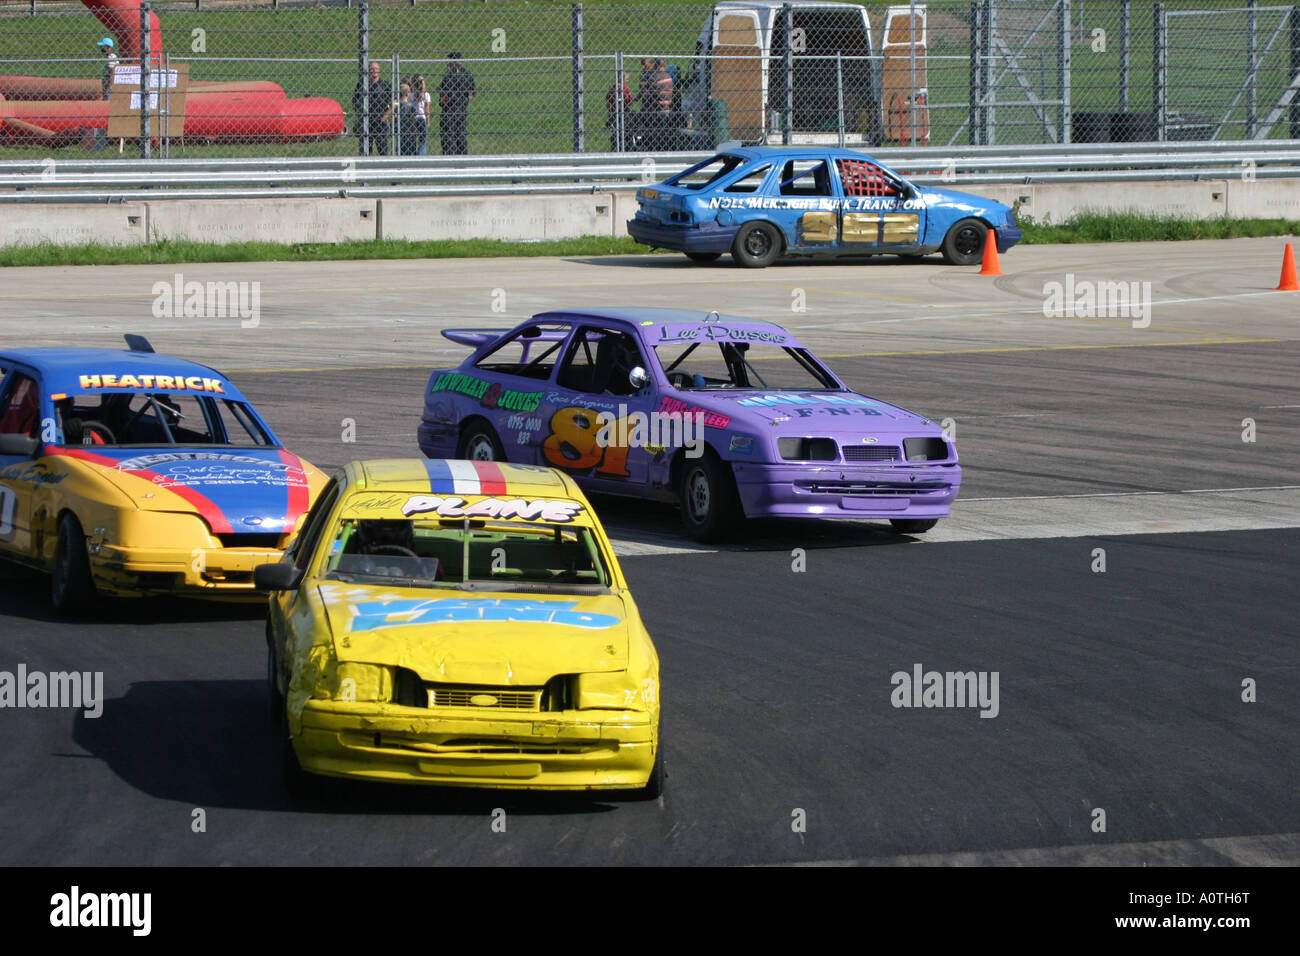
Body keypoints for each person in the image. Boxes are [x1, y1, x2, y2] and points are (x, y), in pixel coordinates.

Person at [352, 60, 393, 156]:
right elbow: (354, 100)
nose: (374, 71)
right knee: (366, 151)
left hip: (380, 122)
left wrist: (385, 117)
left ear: (379, 71)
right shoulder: (362, 84)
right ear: (368, 70)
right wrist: (360, 114)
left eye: (376, 69)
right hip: (367, 121)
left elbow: (393, 103)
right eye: (372, 69)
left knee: (383, 151)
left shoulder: (385, 85)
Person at [437, 52, 475, 156]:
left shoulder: (449, 75)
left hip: (449, 109)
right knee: (461, 135)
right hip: (462, 109)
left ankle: (449, 156)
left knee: (448, 135)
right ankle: (462, 156)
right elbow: (471, 94)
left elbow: (444, 94)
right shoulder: (467, 74)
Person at [636, 57, 673, 150]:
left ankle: (647, 145)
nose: (644, 67)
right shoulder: (669, 77)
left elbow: (646, 93)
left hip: (656, 110)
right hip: (667, 109)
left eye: (645, 65)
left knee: (651, 132)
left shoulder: (655, 77)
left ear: (654, 65)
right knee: (662, 134)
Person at [390, 80, 420, 155]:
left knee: (400, 147)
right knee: (410, 149)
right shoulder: (410, 106)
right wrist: (414, 129)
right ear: (407, 94)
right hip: (409, 130)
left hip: (399, 129)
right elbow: (412, 119)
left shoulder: (397, 105)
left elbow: (393, 117)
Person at [605, 70, 632, 152]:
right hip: (622, 113)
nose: (628, 80)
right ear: (623, 79)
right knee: (624, 131)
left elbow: (607, 99)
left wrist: (610, 110)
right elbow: (629, 100)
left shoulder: (613, 87)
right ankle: (624, 147)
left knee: (616, 131)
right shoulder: (625, 88)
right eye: (627, 79)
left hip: (613, 113)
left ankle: (616, 148)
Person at [411, 74, 431, 154]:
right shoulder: (426, 95)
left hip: (413, 118)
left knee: (412, 139)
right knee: (423, 141)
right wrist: (428, 120)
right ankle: (421, 155)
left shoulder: (411, 95)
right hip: (422, 118)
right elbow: (427, 109)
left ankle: (412, 155)